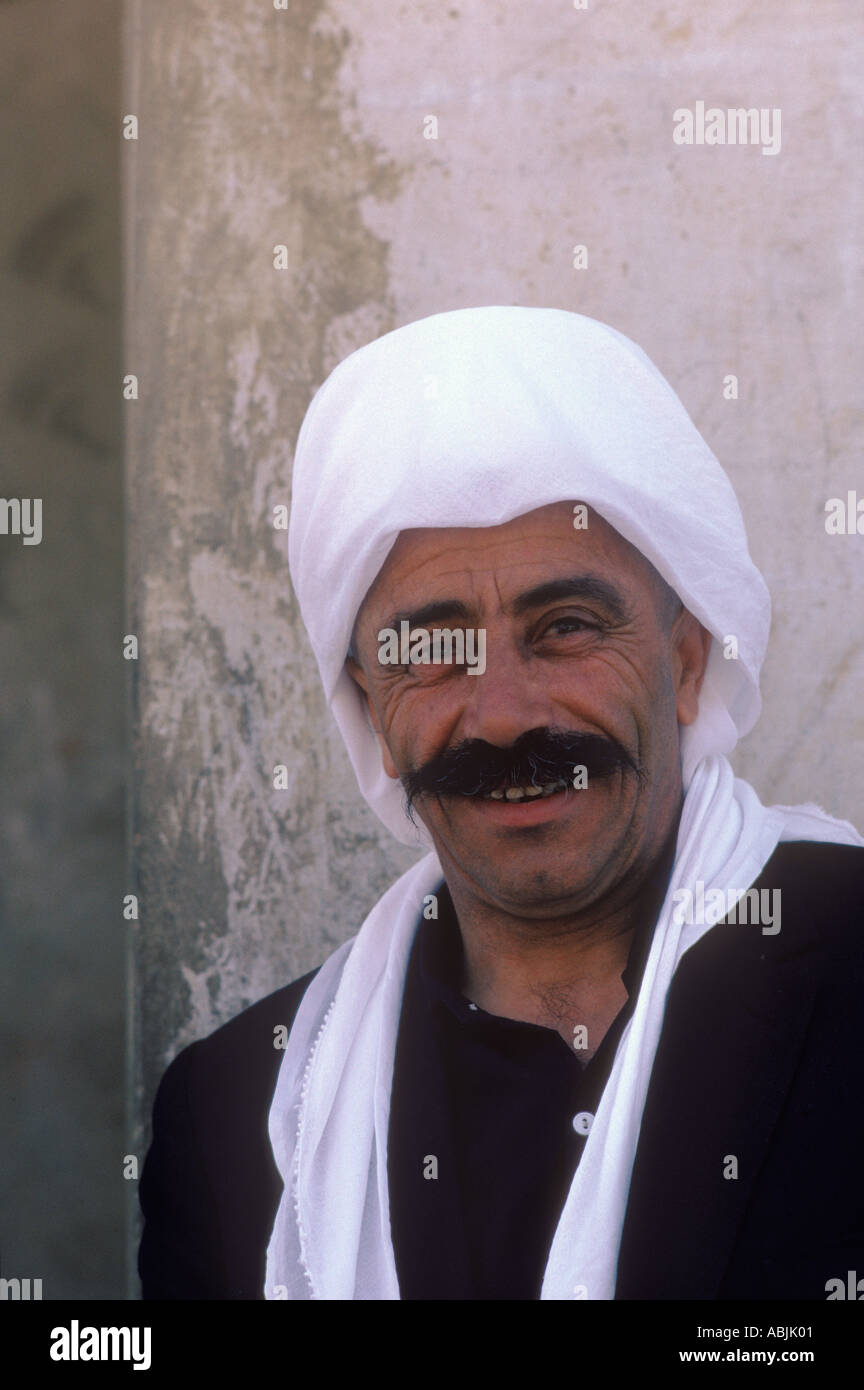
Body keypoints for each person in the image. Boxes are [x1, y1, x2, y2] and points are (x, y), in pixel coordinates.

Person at [139, 306, 864, 1301]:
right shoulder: (238, 1118)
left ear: (688, 663)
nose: (502, 716)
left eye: (565, 626)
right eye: (431, 646)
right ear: (369, 711)